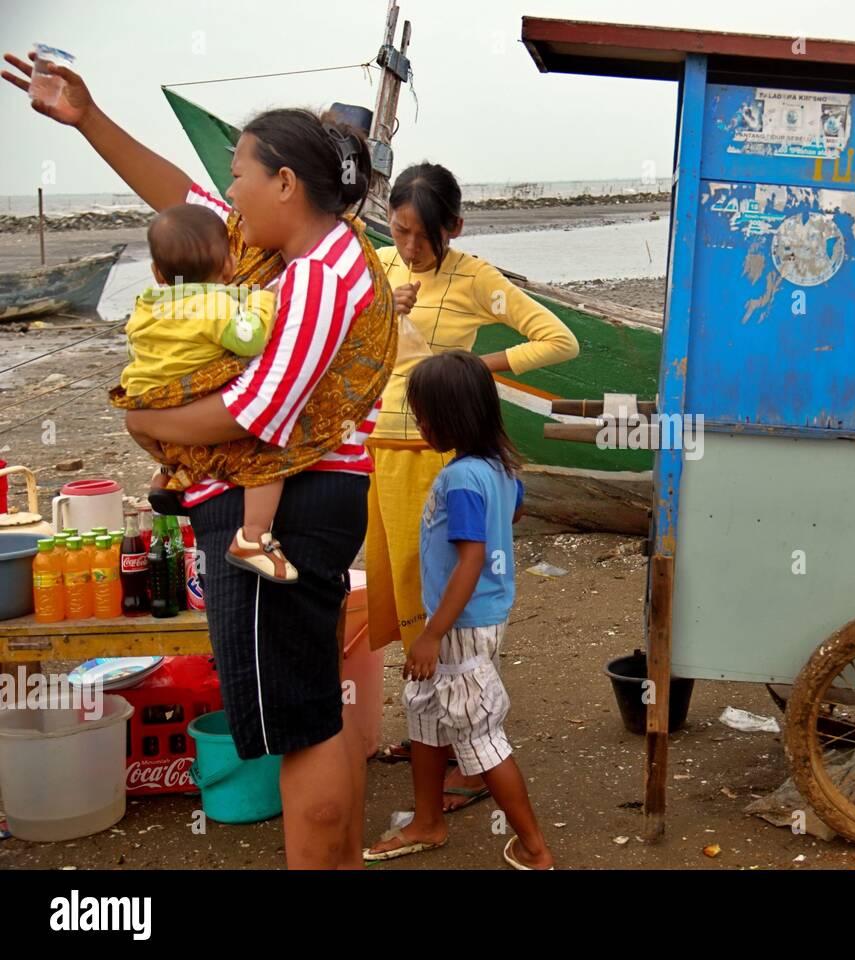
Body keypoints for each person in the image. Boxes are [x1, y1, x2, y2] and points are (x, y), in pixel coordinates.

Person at [3, 50, 396, 868]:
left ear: (285, 183)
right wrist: (88, 119)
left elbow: (261, 412)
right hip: (296, 501)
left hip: (284, 507)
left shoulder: (320, 277)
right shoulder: (285, 257)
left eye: (241, 172)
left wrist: (144, 416)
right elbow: (179, 198)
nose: (230, 190)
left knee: (299, 723)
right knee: (310, 708)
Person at [366, 162, 578, 810]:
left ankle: (465, 748)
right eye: (398, 232)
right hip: (381, 450)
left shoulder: (475, 279)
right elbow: (342, 347)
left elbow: (558, 340)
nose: (407, 249)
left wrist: (468, 368)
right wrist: (378, 313)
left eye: (421, 239)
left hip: (435, 455)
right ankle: (431, 731)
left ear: (454, 228)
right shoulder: (376, 266)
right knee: (403, 591)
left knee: (441, 597)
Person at [364, 350, 554, 869]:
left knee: (479, 731)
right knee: (424, 709)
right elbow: (513, 511)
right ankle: (427, 821)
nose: (421, 425)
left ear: (454, 418)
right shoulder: (497, 467)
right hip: (470, 618)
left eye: (426, 416)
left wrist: (430, 635)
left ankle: (535, 848)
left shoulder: (461, 478)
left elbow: (470, 560)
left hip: (458, 625)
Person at [113, 203, 298, 582]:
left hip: (149, 398)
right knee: (270, 449)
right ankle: (253, 536)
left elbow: (136, 350)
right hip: (191, 399)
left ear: (157, 272)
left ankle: (167, 474)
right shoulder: (216, 303)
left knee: (178, 441)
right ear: (230, 266)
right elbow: (248, 339)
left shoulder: (145, 306)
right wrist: (264, 300)